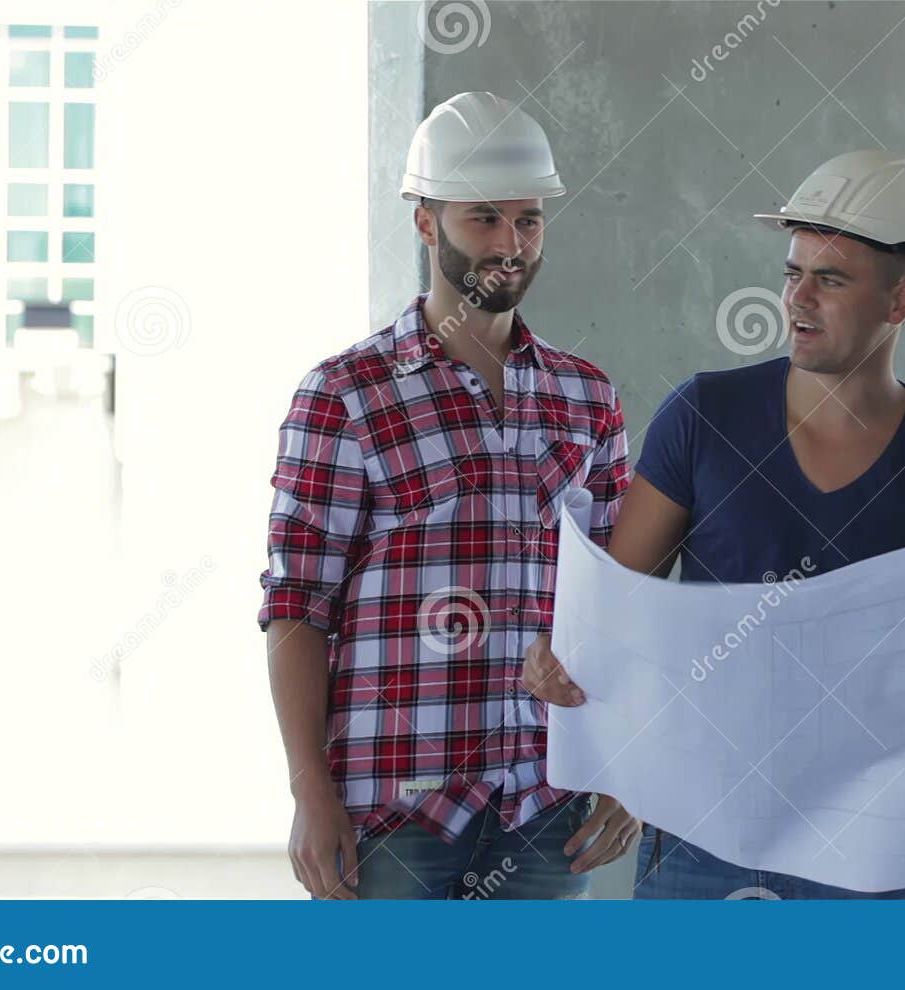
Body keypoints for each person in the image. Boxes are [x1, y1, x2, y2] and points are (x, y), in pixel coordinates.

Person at [523, 151, 905, 899]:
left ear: (900, 301)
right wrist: (563, 661)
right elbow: (617, 609)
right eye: (794, 272)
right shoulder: (704, 419)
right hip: (700, 841)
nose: (798, 298)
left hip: (867, 855)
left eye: (830, 279)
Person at [259, 92, 638, 900]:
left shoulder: (587, 397)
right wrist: (308, 791)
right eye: (484, 219)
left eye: (529, 221)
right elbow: (298, 601)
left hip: (546, 800)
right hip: (395, 806)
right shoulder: (345, 393)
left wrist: (625, 763)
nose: (511, 244)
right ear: (427, 222)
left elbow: (620, 598)